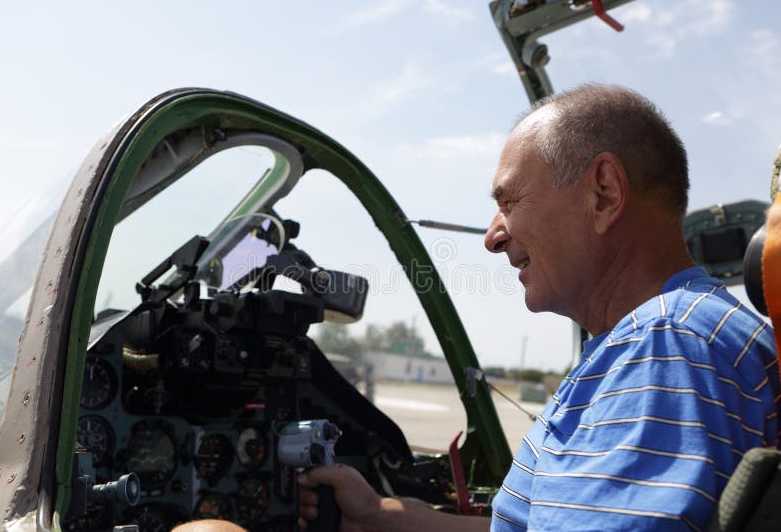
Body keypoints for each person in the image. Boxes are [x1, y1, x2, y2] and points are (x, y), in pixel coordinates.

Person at [296, 84, 780, 531]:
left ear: (604, 194)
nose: (493, 237)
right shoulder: (652, 342)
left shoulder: (665, 347)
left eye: (510, 202)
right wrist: (381, 514)